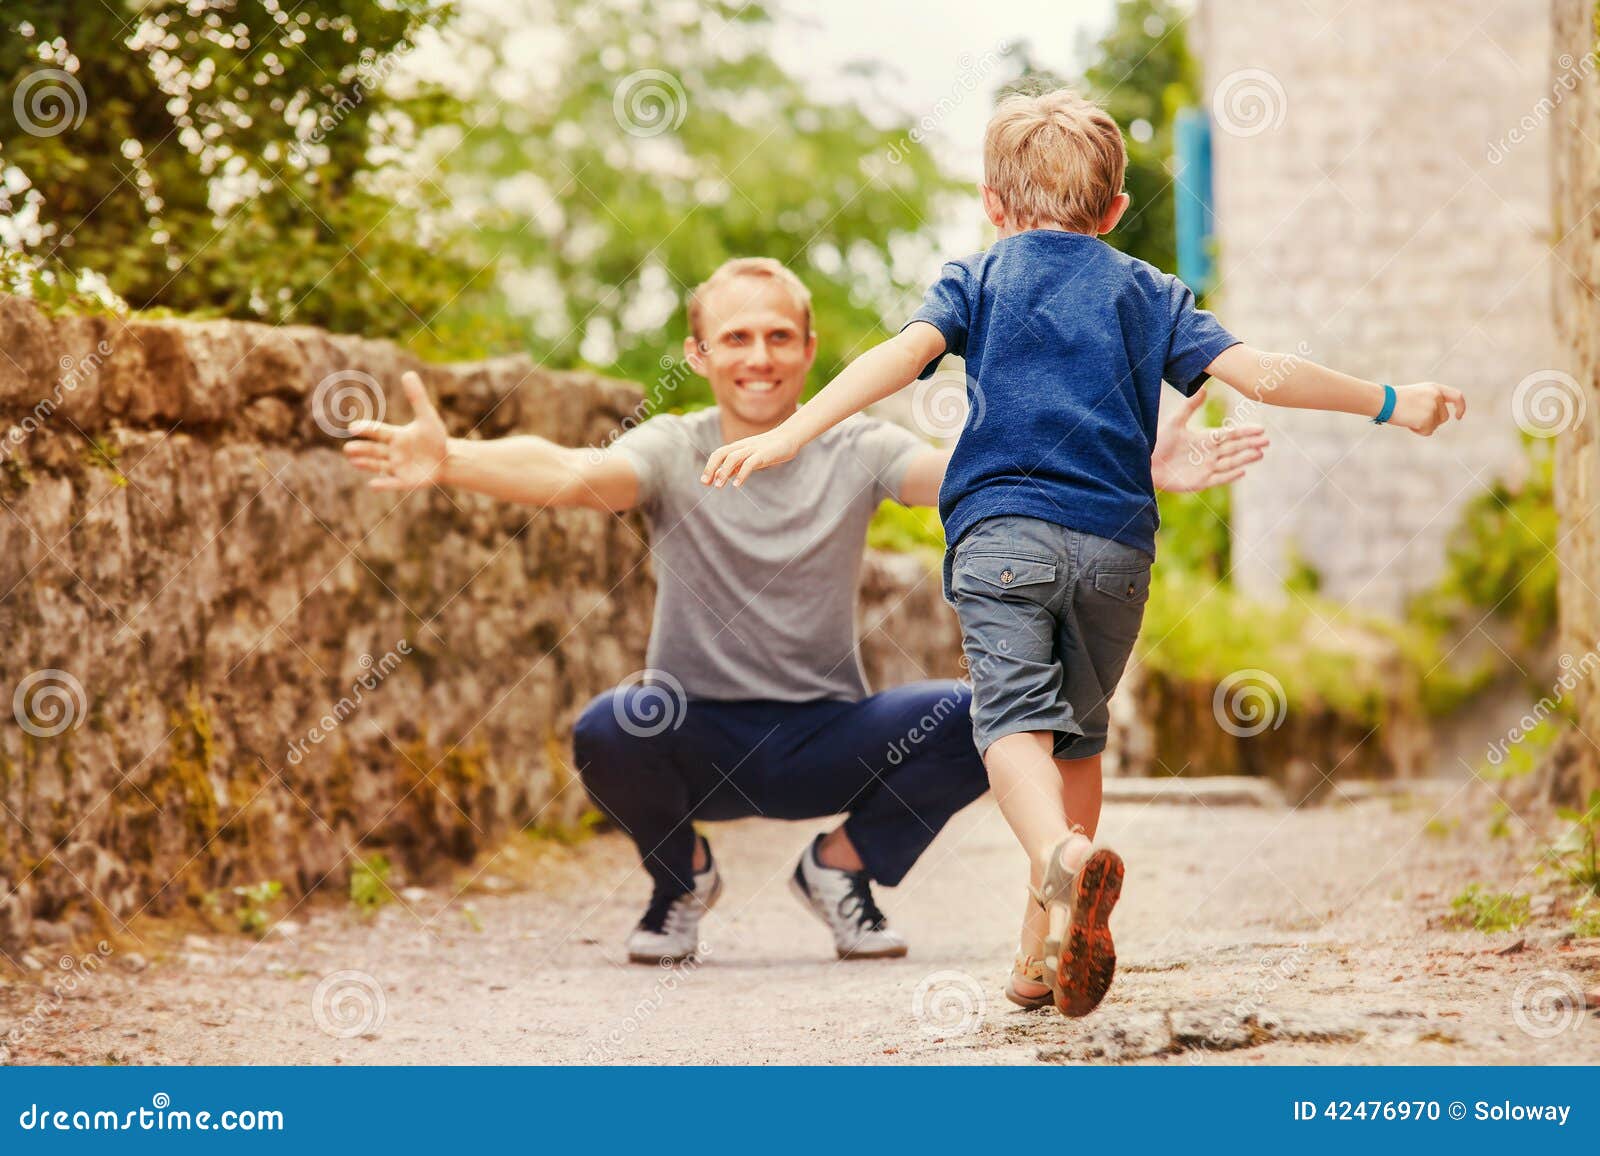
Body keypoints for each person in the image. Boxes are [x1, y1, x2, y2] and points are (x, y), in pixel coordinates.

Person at [701, 90, 1466, 1015]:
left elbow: (899, 360)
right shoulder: (1149, 291)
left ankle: (1064, 861)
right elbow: (1263, 373)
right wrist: (1392, 398)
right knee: (1077, 735)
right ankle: (1042, 950)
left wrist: (795, 433)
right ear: (1112, 212)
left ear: (993, 202)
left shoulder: (978, 276)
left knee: (1011, 723)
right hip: (1115, 554)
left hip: (1003, 540)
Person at [343, 255, 1269, 967]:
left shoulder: (857, 445)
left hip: (826, 735)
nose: (759, 357)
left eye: (779, 337)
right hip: (693, 731)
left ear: (809, 351)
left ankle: (841, 868)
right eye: (737, 339)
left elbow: (979, 479)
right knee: (609, 726)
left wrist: (1125, 470)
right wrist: (452, 459)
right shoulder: (672, 449)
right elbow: (571, 473)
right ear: (699, 354)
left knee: (979, 714)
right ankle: (681, 885)